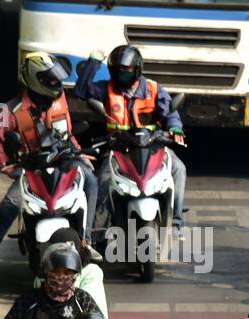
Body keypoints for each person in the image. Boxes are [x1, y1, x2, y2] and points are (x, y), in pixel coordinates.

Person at [0, 53, 98, 279]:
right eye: (49, 80)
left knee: (90, 179)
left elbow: (68, 133)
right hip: (32, 168)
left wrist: (79, 152)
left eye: (57, 80)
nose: (55, 84)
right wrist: (8, 166)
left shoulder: (60, 100)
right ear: (33, 79)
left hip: (64, 159)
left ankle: (86, 241)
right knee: (7, 208)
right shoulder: (10, 109)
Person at [74, 45, 187, 229]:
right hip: (119, 149)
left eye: (126, 70)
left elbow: (169, 112)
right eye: (118, 70)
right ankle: (98, 232)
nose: (122, 74)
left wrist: (175, 127)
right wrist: (93, 63)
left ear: (137, 69)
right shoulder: (107, 89)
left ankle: (175, 221)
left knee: (178, 169)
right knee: (103, 179)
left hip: (152, 146)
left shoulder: (153, 89)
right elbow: (81, 91)